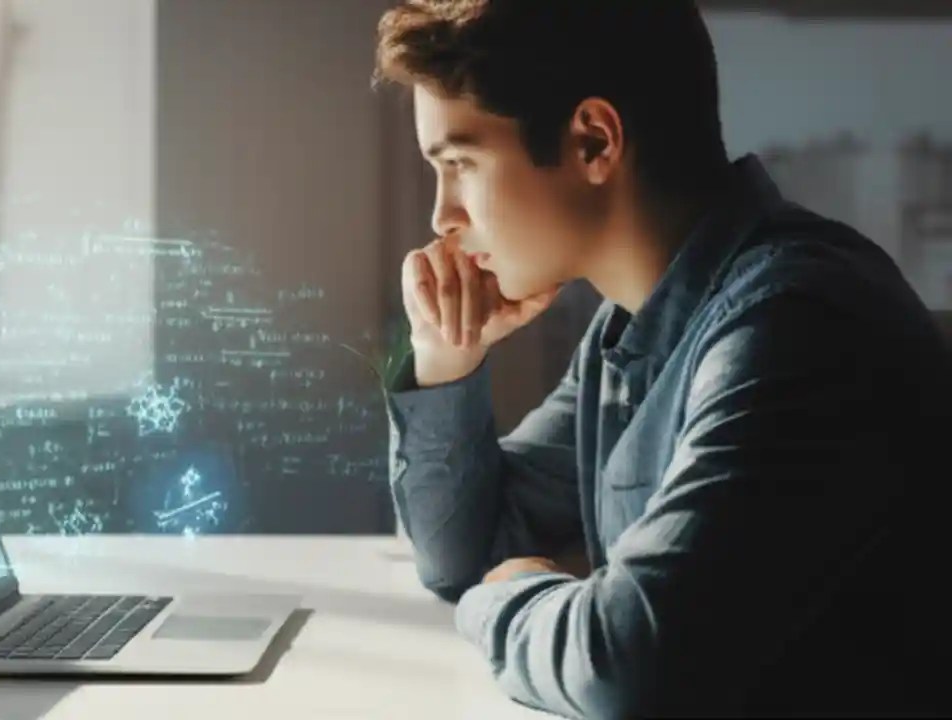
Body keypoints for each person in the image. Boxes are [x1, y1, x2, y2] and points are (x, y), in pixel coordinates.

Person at [372, 1, 952, 716]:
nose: (442, 217)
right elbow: (463, 550)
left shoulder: (794, 325)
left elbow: (628, 665)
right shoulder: (635, 327)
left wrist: (505, 599)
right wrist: (446, 360)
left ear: (593, 142)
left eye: (460, 163)